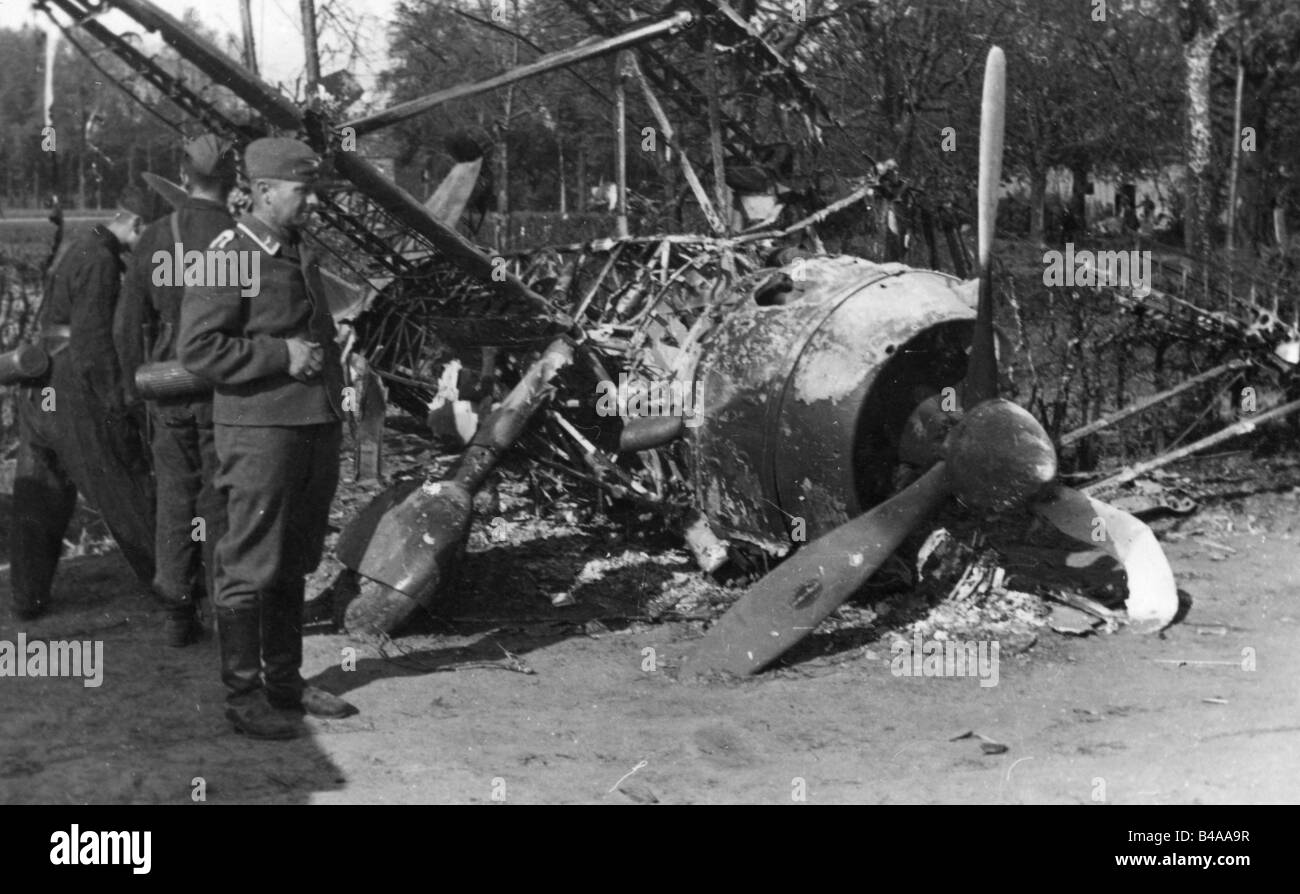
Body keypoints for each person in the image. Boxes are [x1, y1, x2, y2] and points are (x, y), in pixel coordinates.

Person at [178, 137, 356, 740]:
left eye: (312, 190)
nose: (312, 202)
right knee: (249, 561)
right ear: (263, 191)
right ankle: (243, 694)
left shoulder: (292, 246)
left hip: (311, 425)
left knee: (294, 558)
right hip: (260, 431)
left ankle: (285, 680)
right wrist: (282, 353)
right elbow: (199, 349)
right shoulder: (228, 252)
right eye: (302, 191)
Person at [10, 192, 156, 620]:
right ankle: (175, 591)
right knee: (121, 486)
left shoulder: (81, 244)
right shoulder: (102, 260)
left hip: (40, 385)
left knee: (40, 496)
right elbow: (93, 345)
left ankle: (27, 596)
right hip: (73, 387)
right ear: (139, 226)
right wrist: (119, 404)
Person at [118, 134, 237, 646]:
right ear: (233, 182)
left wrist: (133, 385)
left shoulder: (158, 235)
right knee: (221, 498)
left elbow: (126, 325)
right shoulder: (242, 239)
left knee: (175, 495)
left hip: (167, 387)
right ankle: (223, 608)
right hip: (227, 388)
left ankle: (176, 614)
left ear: (183, 177)